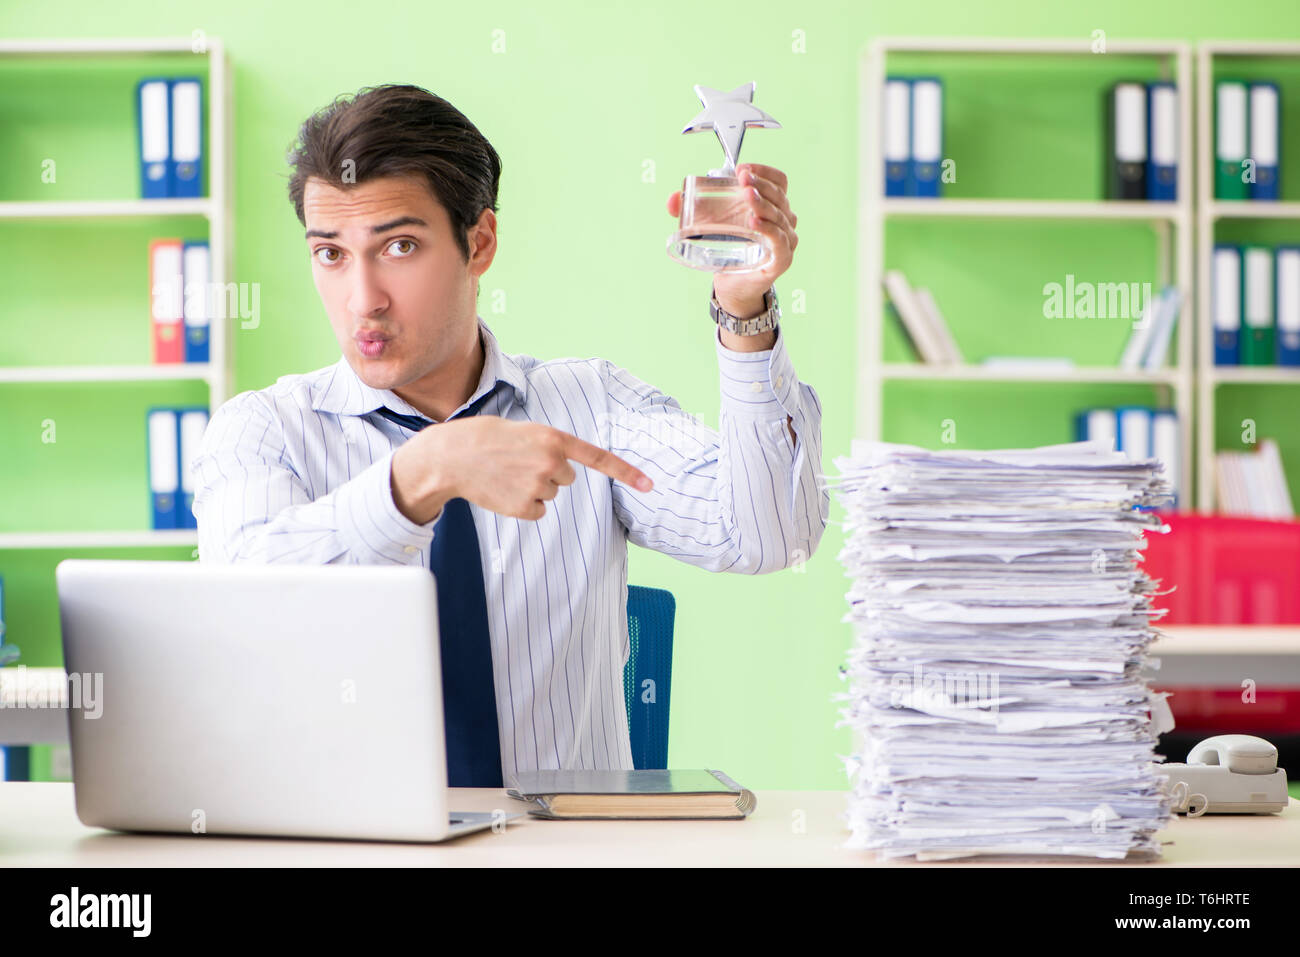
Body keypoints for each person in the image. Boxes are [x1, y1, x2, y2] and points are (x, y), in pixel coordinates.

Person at [190, 84, 827, 786]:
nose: (362, 298)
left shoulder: (591, 406)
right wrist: (417, 477)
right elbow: (241, 614)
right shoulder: (264, 430)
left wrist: (745, 310)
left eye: (399, 246)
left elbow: (771, 535)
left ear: (480, 242)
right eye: (331, 254)